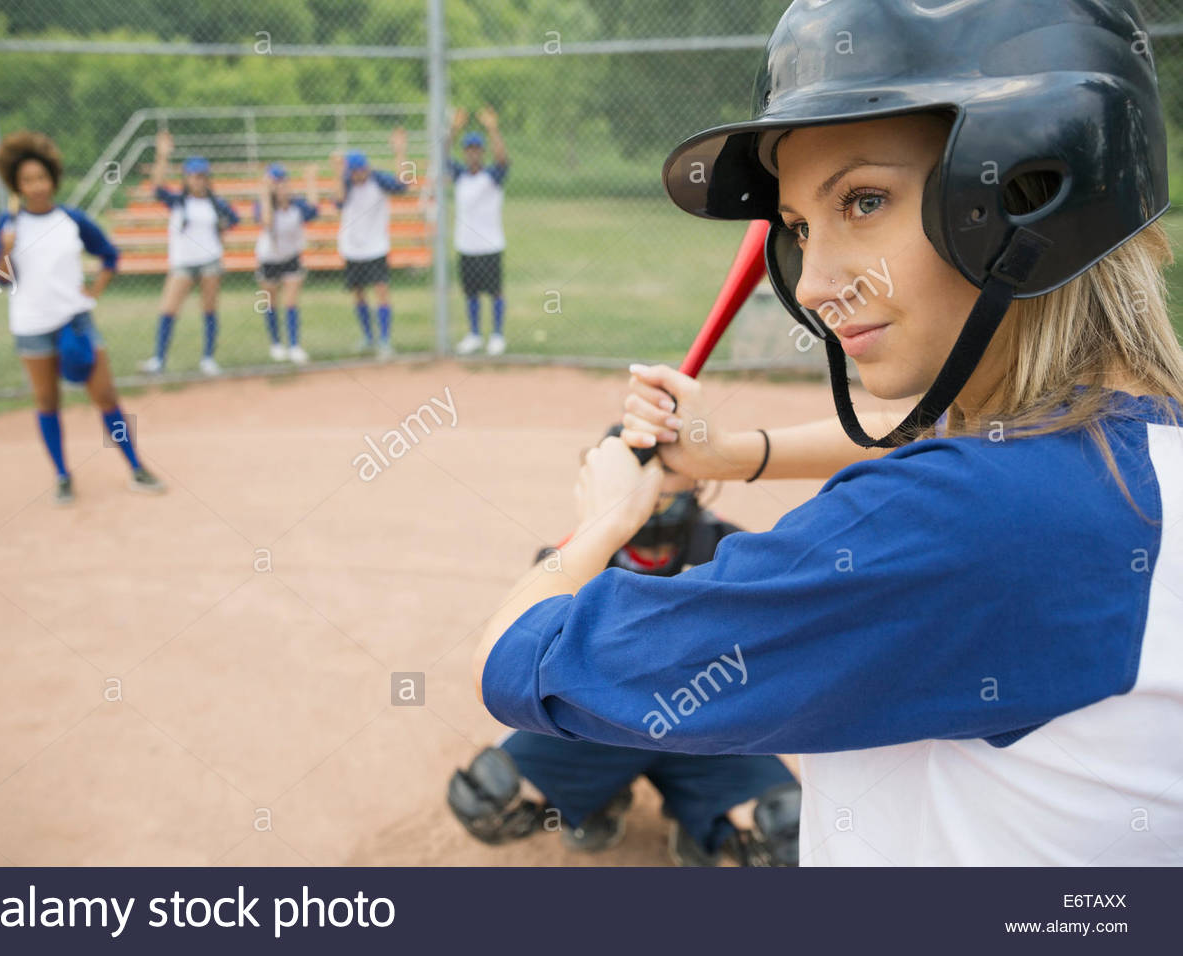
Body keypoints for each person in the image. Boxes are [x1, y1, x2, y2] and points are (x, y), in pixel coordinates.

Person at [473, 0, 1183, 866]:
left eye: (865, 200)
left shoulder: (966, 517)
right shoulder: (1136, 453)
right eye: (802, 228)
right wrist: (735, 455)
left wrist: (601, 526)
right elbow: (979, 445)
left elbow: (523, 660)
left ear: (1033, 194)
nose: (811, 283)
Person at [449, 427, 801, 866]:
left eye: (671, 466)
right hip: (598, 724)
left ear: (697, 475)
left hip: (699, 725)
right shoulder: (575, 555)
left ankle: (703, 820)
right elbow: (526, 658)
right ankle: (598, 798)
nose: (657, 482)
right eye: (642, 465)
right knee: (486, 799)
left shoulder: (728, 547)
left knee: (788, 831)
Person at [0, 130, 165, 504]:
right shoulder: (9, 226)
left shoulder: (71, 219)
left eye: (41, 177)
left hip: (76, 321)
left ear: (52, 178)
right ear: (16, 185)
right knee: (47, 402)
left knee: (106, 396)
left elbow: (109, 255)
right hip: (32, 327)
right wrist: (5, 252)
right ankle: (63, 476)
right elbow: (0, 281)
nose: (37, 186)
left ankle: (136, 467)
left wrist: (94, 290)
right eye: (27, 181)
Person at [139, 130, 239, 376]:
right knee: (169, 309)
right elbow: (156, 187)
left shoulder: (216, 203)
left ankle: (208, 358)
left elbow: (233, 220)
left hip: (210, 261)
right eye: (193, 176)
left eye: (202, 176)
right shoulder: (177, 201)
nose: (198, 180)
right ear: (186, 178)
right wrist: (163, 155)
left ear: (207, 178)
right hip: (183, 262)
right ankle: (159, 359)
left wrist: (222, 232)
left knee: (209, 308)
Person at [330, 129, 408, 361]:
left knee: (382, 291)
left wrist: (399, 152)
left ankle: (384, 340)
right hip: (352, 248)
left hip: (376, 247)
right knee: (358, 294)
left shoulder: (378, 180)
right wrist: (337, 173)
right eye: (354, 171)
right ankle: (368, 336)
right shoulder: (346, 183)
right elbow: (339, 202)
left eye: (361, 170)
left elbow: (402, 186)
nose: (358, 175)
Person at [448, 106, 509, 357]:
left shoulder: (492, 176)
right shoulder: (460, 176)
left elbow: (502, 160)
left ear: (482, 153)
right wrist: (454, 128)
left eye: (476, 150)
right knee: (470, 292)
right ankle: (474, 334)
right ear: (464, 153)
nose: (472, 154)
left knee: (495, 292)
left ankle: (497, 335)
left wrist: (493, 129)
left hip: (490, 244)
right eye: (468, 150)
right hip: (467, 245)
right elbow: (441, 155)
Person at [255, 162, 319, 365]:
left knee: (291, 302)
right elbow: (267, 222)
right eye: (276, 183)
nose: (281, 187)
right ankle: (275, 343)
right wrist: (265, 194)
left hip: (291, 257)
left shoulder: (296, 205)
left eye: (284, 182)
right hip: (269, 258)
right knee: (270, 302)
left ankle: (294, 345)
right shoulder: (263, 206)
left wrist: (310, 180)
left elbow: (314, 211)